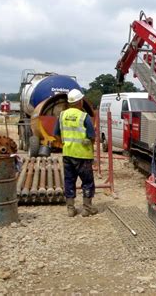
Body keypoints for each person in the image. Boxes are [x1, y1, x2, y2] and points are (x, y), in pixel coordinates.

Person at [54, 89, 98, 217]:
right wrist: (89, 143)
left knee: (69, 180)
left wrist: (64, 144)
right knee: (87, 182)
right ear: (80, 102)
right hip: (83, 155)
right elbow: (92, 136)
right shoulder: (84, 116)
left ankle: (70, 209)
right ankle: (87, 209)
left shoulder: (62, 116)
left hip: (68, 154)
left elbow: (56, 135)